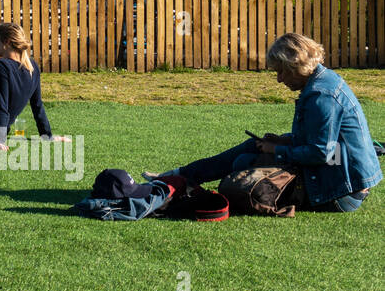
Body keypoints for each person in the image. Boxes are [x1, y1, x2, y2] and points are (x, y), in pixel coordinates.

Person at [147, 33, 381, 212]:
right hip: (338, 176)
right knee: (251, 150)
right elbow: (319, 141)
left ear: (296, 66)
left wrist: (278, 150)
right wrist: (282, 141)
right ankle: (180, 176)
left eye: (281, 72)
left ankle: (179, 180)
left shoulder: (322, 96)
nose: (279, 80)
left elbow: (322, 152)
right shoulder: (323, 81)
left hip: (340, 192)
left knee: (243, 164)